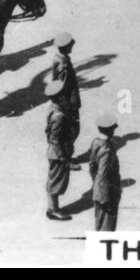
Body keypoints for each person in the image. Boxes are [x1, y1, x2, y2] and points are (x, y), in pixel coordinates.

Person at [45, 79, 75, 221]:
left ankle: (54, 207)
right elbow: (55, 139)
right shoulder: (59, 116)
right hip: (58, 153)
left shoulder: (52, 108)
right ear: (60, 96)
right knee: (56, 183)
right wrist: (63, 158)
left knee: (55, 180)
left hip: (55, 151)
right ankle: (53, 210)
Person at [89, 112, 122, 231]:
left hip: (98, 191)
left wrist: (96, 185)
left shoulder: (96, 142)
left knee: (99, 224)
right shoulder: (107, 150)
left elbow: (92, 166)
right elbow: (103, 174)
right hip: (106, 194)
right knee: (107, 228)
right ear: (111, 131)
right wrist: (104, 196)